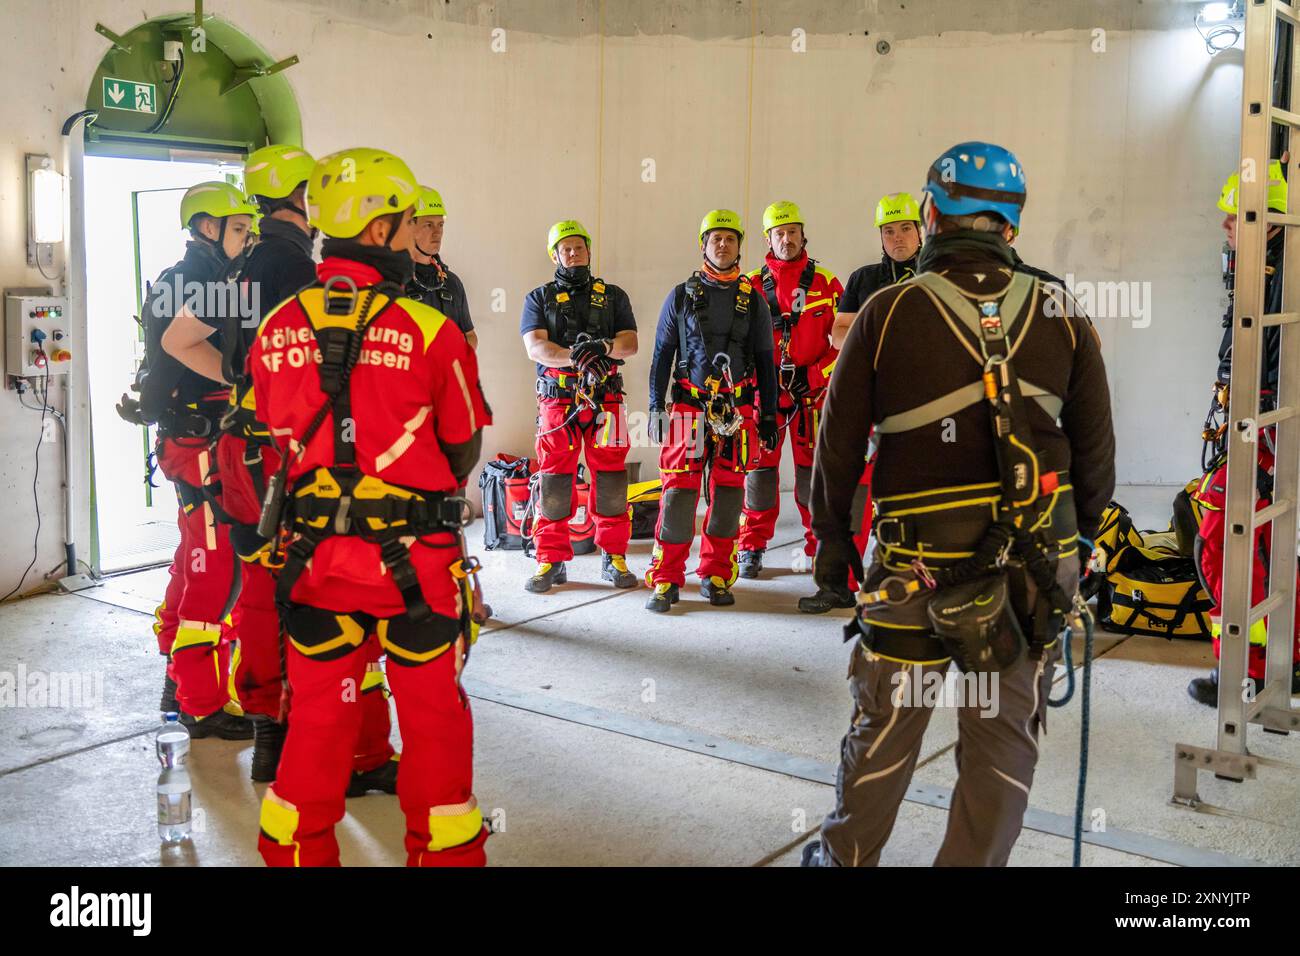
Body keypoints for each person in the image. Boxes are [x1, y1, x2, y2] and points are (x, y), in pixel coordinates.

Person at [802, 142, 1115, 866]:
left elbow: (837, 447)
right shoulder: (1062, 308)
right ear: (1011, 224)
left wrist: (834, 545)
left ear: (932, 213)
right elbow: (1096, 449)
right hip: (1033, 567)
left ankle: (843, 857)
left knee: (887, 724)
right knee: (1002, 734)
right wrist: (1083, 546)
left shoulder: (887, 310)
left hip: (918, 561)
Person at [250, 147, 489, 866]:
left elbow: (275, 441)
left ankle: (298, 853)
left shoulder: (275, 330)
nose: (414, 232)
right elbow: (463, 449)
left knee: (318, 724)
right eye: (406, 221)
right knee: (435, 729)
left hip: (316, 569)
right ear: (381, 232)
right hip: (415, 573)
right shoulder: (428, 329)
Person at [145, 181, 259, 740]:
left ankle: (175, 669)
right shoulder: (205, 282)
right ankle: (199, 703)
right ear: (208, 227)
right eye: (239, 227)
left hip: (187, 438)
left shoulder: (180, 278)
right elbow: (178, 348)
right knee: (219, 568)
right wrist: (245, 383)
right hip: (201, 443)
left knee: (195, 552)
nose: (249, 237)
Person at [1187, 160, 1299, 704]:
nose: (1226, 228)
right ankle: (1282, 660)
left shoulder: (1282, 281)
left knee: (1220, 538)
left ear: (1268, 220)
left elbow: (1276, 370)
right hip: (1260, 425)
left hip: (1265, 429)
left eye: (1235, 218)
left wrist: (1261, 447)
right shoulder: (1265, 271)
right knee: (1274, 545)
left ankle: (1246, 669)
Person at [644, 209, 779, 612]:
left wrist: (768, 415)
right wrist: (654, 406)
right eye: (715, 238)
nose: (723, 245)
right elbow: (662, 355)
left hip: (736, 411)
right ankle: (667, 578)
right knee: (678, 497)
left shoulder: (754, 300)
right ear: (703, 245)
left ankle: (716, 572)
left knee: (728, 497)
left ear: (740, 246)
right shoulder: (680, 296)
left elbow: (766, 361)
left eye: (730, 239)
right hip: (688, 407)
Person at [519, 219, 639, 593]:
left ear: (588, 250)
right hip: (558, 400)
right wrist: (577, 356)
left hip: (607, 400)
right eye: (565, 248)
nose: (573, 253)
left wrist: (602, 349)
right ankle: (550, 561)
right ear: (555, 254)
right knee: (555, 482)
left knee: (612, 481)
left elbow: (630, 343)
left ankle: (614, 556)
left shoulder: (614, 296)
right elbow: (536, 348)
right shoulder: (538, 299)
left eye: (579, 247)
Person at [734, 201, 843, 585]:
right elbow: (736, 345)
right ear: (768, 238)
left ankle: (819, 548)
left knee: (811, 476)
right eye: (778, 233)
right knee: (759, 475)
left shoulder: (827, 283)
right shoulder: (746, 285)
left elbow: (844, 341)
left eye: (792, 231)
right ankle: (751, 546)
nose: (786, 239)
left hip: (811, 398)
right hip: (765, 399)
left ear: (802, 234)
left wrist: (813, 374)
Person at [407, 186, 479, 350]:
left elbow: (470, 336)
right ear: (409, 228)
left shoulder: (451, 282)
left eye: (440, 224)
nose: (437, 232)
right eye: (428, 225)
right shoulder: (394, 282)